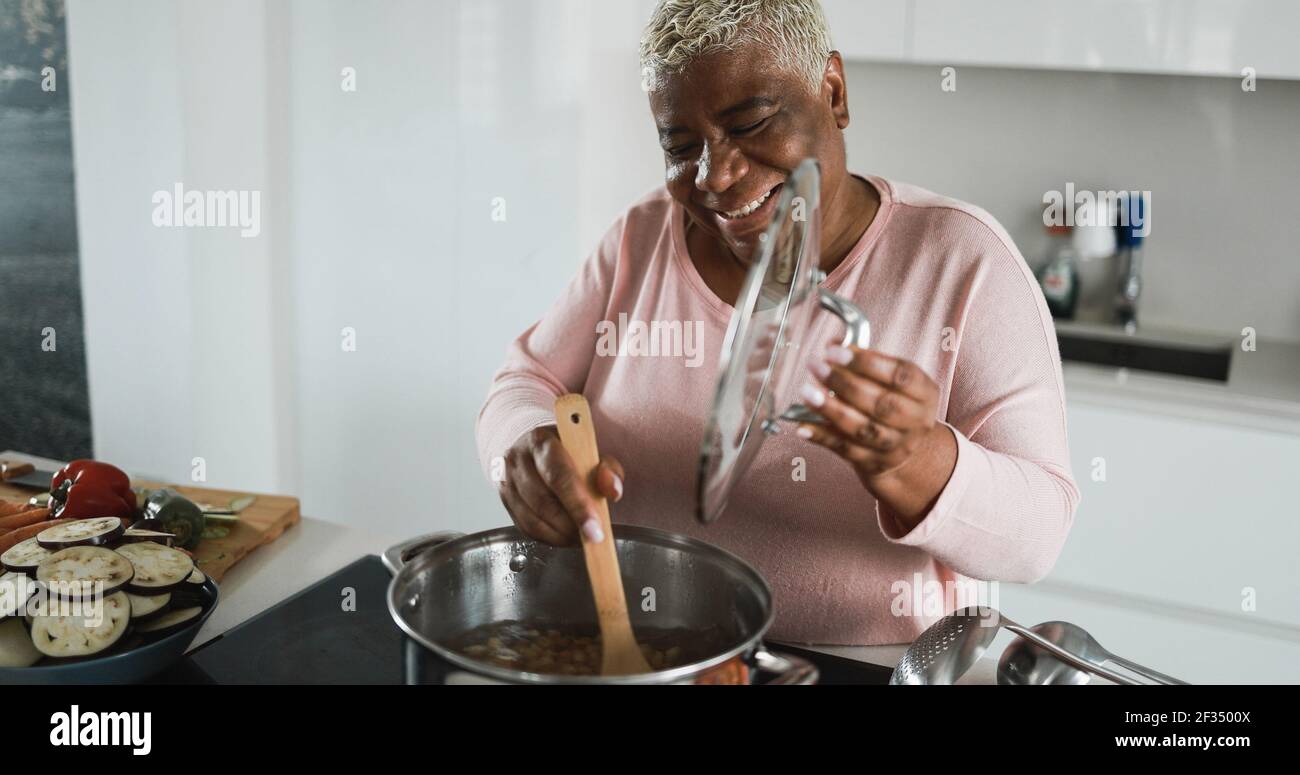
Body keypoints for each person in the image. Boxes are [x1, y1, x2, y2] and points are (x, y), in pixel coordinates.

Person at [475, 0, 1078, 644]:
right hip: (641, 654)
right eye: (681, 147)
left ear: (834, 92)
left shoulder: (963, 260)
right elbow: (524, 380)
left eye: (752, 123)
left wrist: (919, 461)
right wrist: (523, 444)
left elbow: (1039, 540)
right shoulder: (642, 236)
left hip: (861, 666)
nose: (717, 175)